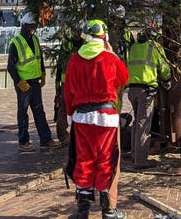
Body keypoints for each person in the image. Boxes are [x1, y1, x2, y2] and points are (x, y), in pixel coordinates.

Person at [64, 18, 129, 219]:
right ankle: (108, 210)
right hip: (106, 118)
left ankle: (82, 210)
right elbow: (123, 78)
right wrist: (113, 54)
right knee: (106, 160)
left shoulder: (74, 60)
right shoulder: (108, 58)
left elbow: (68, 91)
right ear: (104, 37)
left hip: (82, 118)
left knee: (84, 160)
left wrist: (69, 117)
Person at [7, 11, 59, 153]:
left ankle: (46, 140)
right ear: (24, 26)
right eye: (31, 26)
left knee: (39, 111)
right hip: (23, 83)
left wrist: (42, 73)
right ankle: (24, 141)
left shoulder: (35, 39)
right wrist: (19, 82)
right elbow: (11, 67)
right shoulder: (16, 43)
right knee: (23, 113)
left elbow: (39, 58)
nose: (33, 29)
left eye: (34, 27)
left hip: (35, 82)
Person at [126, 24, 171, 168]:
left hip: (132, 89)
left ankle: (134, 155)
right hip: (146, 91)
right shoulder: (155, 47)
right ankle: (140, 161)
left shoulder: (134, 47)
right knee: (143, 125)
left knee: (137, 123)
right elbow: (164, 68)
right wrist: (167, 81)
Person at [54, 24, 83, 145]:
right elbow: (60, 62)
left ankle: (65, 136)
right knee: (67, 108)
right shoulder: (83, 44)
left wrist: (57, 81)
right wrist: (57, 81)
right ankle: (65, 136)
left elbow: (60, 62)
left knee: (65, 109)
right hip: (72, 81)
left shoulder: (68, 43)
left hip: (69, 81)